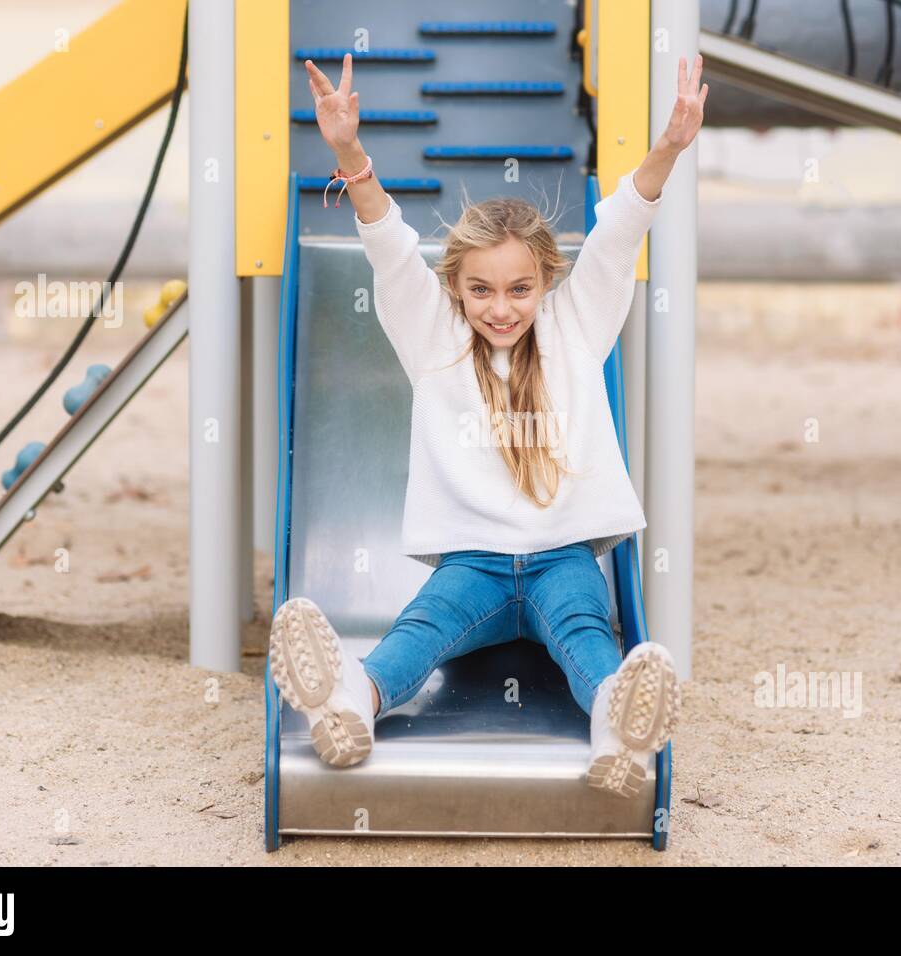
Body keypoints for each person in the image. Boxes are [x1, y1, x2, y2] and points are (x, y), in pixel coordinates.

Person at [270, 51, 708, 799]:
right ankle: (346, 707)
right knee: (416, 637)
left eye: (518, 288)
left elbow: (618, 234)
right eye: (479, 289)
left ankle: (619, 734)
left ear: (544, 282)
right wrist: (348, 152)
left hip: (560, 558)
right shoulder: (433, 340)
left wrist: (666, 149)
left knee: (587, 640)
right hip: (470, 563)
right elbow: (389, 244)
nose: (499, 306)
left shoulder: (576, 329)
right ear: (456, 288)